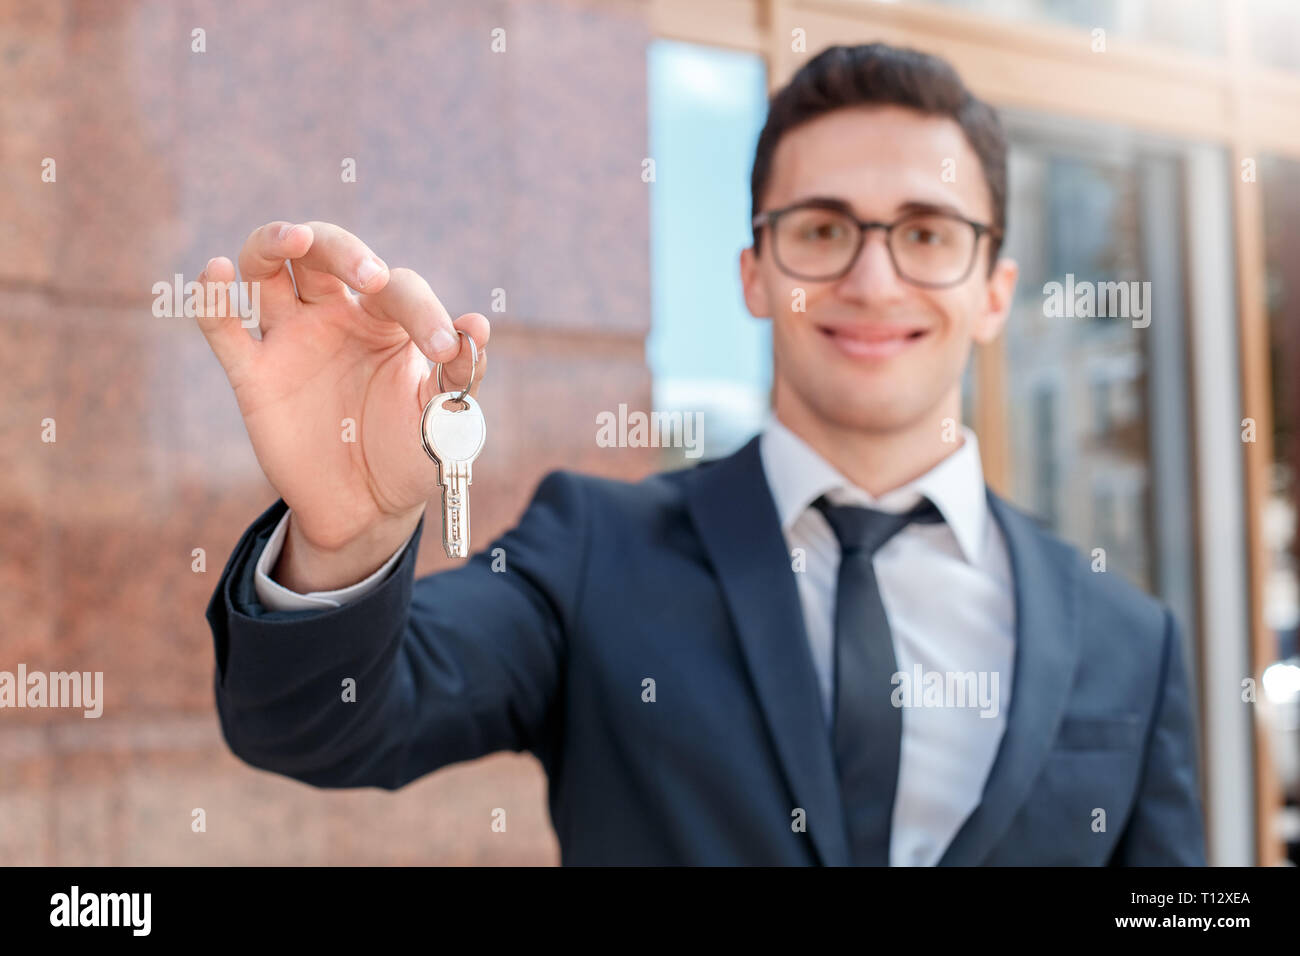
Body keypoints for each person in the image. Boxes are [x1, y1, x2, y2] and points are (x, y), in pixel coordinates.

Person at [199, 42, 1206, 865]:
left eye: (928, 234)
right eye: (821, 229)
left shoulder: (1129, 637)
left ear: (994, 288)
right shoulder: (596, 549)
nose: (870, 276)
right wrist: (349, 530)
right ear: (754, 276)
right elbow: (321, 726)